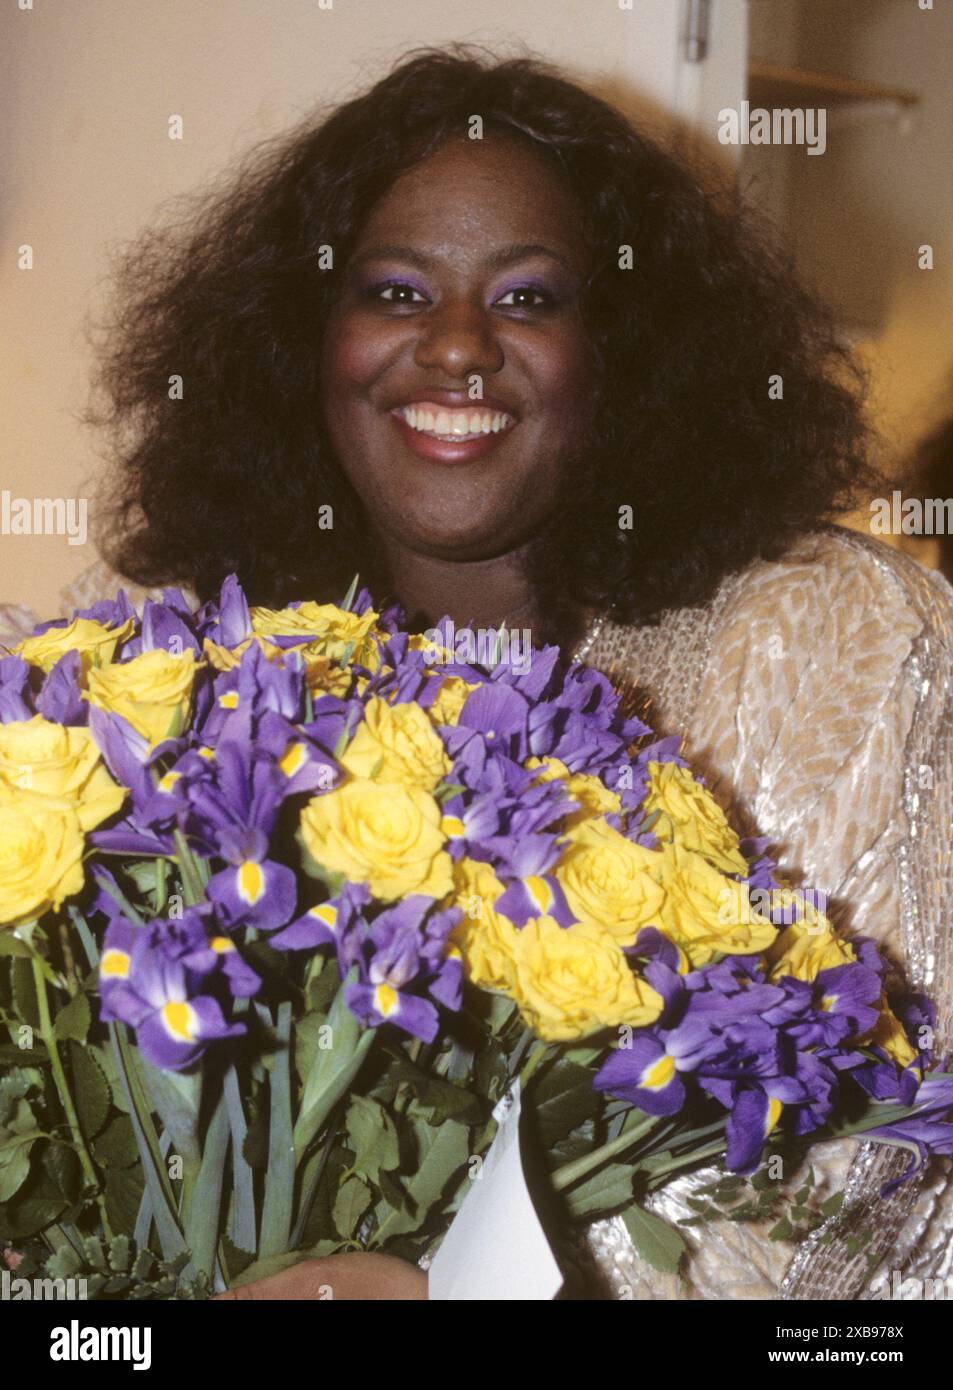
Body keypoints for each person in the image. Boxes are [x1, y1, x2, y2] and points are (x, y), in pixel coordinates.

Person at [6, 45, 953, 1300]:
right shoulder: (158, 684)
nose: (456, 348)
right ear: (306, 341)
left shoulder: (830, 639)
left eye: (525, 299)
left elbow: (894, 1189)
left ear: (622, 350)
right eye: (394, 293)